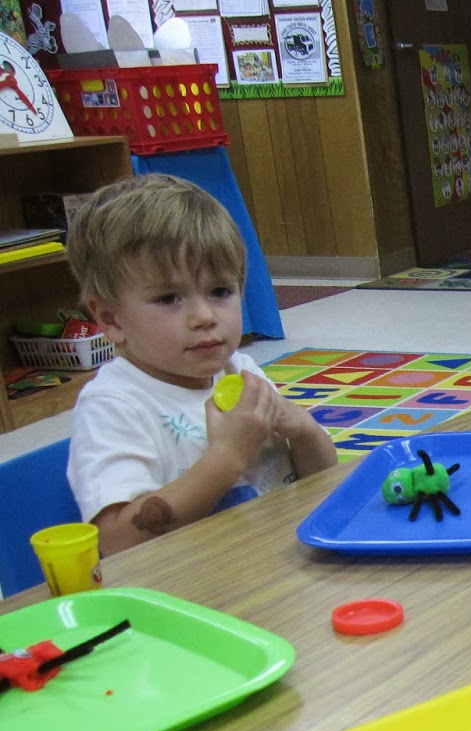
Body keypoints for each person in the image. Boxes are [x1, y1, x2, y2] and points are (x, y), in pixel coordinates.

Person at [65, 174, 336, 556]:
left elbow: (320, 481)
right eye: (168, 298)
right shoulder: (114, 406)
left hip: (276, 565)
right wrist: (228, 456)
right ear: (111, 319)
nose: (204, 316)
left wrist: (305, 431)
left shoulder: (240, 371)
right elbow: (114, 542)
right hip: (191, 593)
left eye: (220, 292)